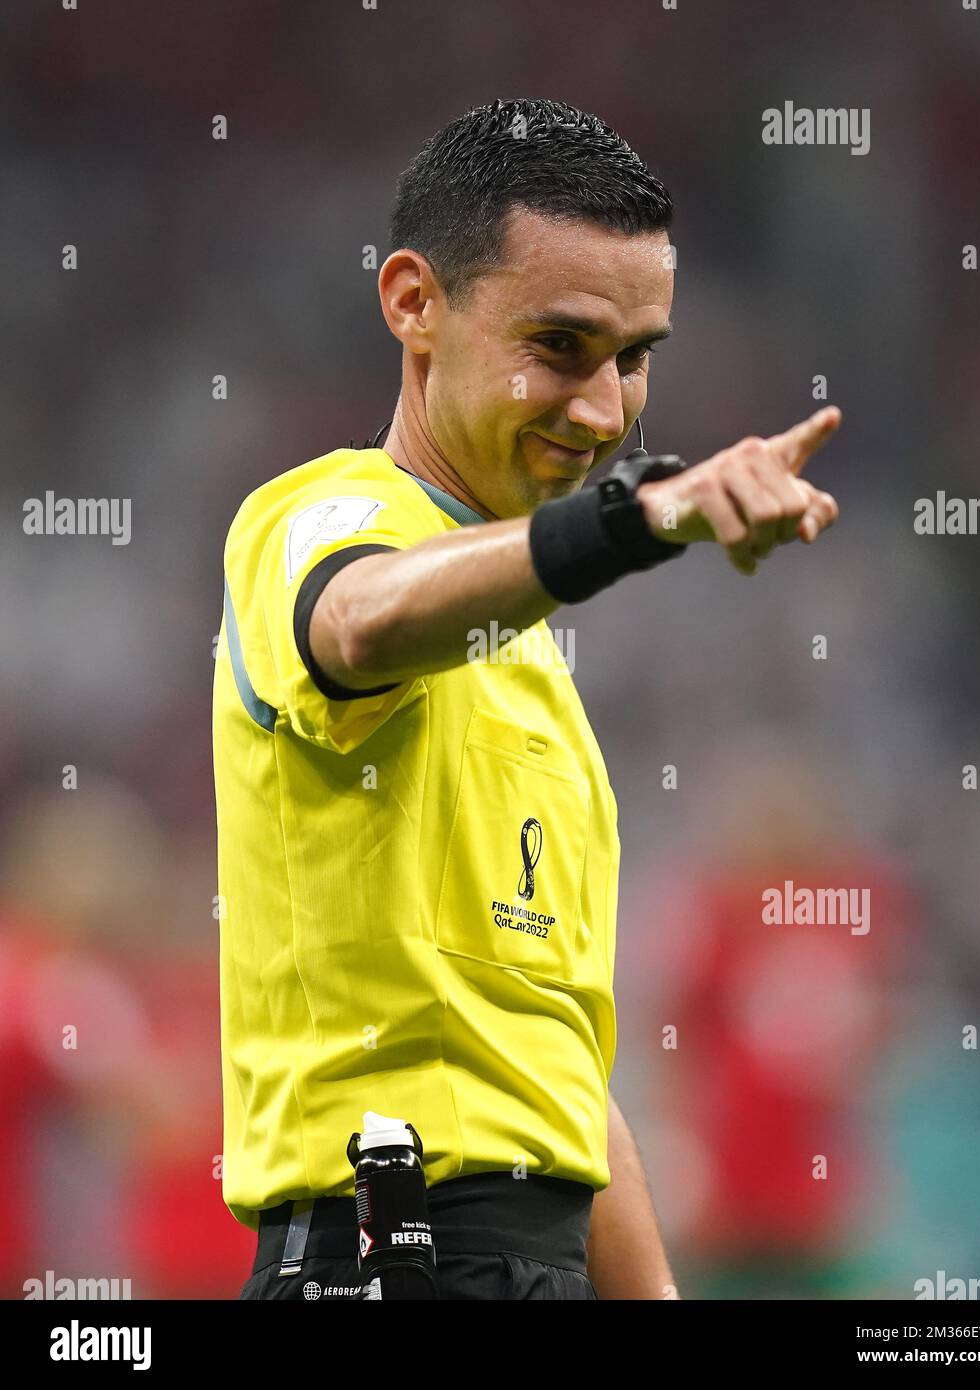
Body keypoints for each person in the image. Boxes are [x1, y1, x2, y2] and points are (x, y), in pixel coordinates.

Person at [213, 97, 840, 1301]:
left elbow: (556, 1064)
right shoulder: (324, 516)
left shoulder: (526, 654)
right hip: (382, 1253)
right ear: (413, 304)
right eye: (558, 347)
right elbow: (360, 616)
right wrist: (639, 514)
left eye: (636, 356)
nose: (605, 411)